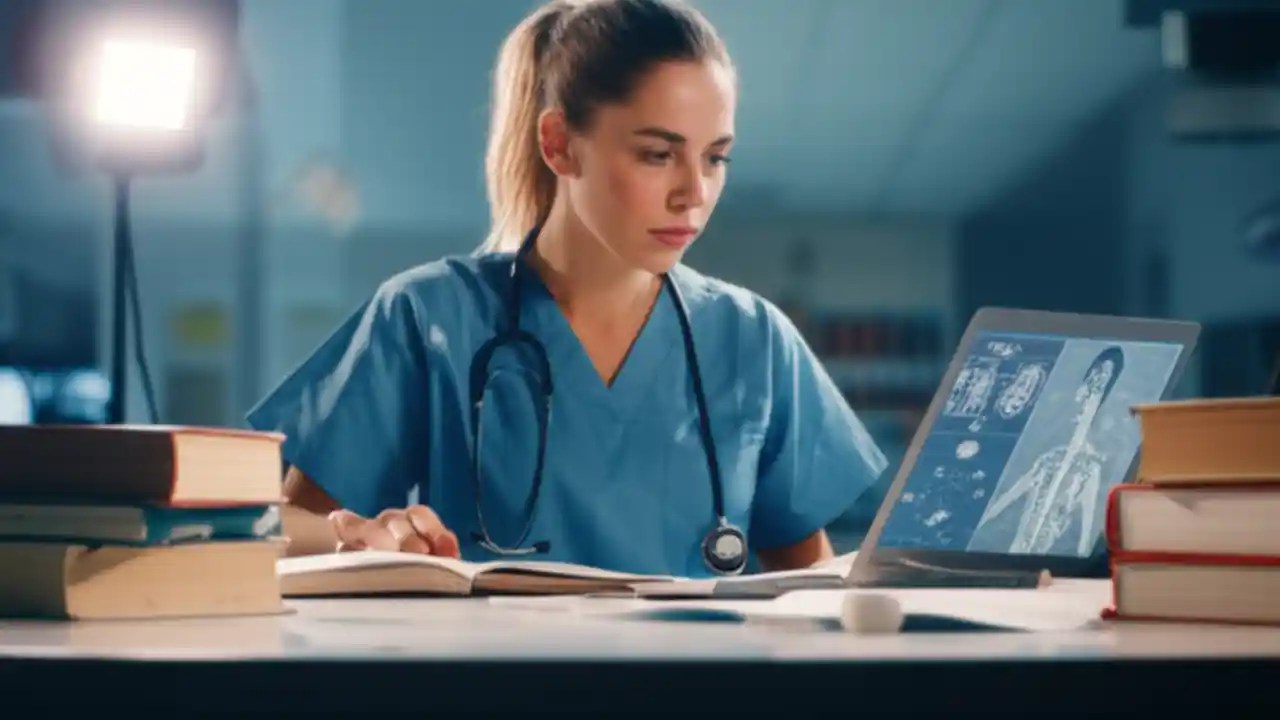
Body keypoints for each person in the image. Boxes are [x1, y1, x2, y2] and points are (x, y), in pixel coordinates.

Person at [246, 0, 888, 578]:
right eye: (657, 154)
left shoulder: (752, 338)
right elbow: (278, 528)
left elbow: (812, 588)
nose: (694, 193)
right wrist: (356, 537)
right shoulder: (431, 317)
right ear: (559, 145)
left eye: (714, 158)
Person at [972, 346, 1125, 556]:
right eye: (1093, 380)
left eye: (1101, 383)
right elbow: (1008, 497)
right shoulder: (1051, 458)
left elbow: (1087, 525)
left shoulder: (1089, 468)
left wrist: (1084, 560)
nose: (1092, 390)